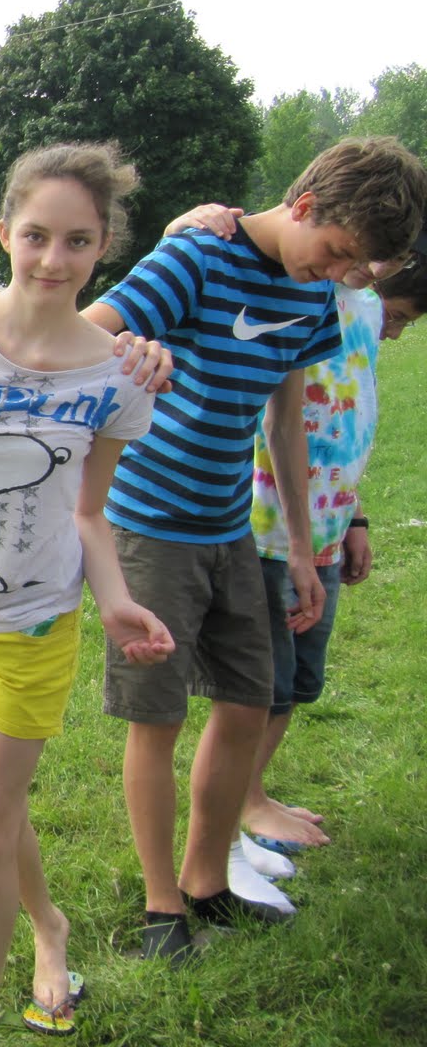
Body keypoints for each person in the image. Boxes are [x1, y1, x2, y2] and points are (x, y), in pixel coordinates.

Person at [84, 136, 427, 962]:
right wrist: (128, 351)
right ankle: (162, 907)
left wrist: (305, 550)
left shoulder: (311, 296)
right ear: (304, 206)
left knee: (248, 701)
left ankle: (207, 883)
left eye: (360, 270)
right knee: (157, 718)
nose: (341, 276)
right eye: (339, 252)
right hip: (150, 527)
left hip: (231, 527)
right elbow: (81, 331)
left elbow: (285, 420)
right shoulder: (198, 255)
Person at [0, 143, 174, 1044]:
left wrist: (117, 602)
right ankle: (49, 923)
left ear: (104, 249)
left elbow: (92, 515)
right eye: (36, 236)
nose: (54, 260)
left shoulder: (120, 375)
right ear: (3, 232)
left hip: (34, 624)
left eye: (77, 241)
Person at [163, 211, 427, 910]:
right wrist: (189, 219)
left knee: (295, 682)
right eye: (399, 310)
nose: (362, 270)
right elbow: (257, 233)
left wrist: (358, 515)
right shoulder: (328, 284)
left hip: (325, 527)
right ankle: (233, 822)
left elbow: (345, 420)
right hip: (266, 523)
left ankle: (245, 807)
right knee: (260, 687)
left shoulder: (357, 307)